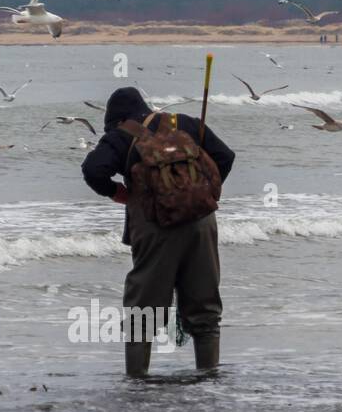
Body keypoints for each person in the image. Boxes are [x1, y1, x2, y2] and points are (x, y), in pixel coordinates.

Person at [80, 86, 235, 377]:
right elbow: (225, 156)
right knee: (205, 309)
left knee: (144, 311)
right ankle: (209, 378)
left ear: (118, 119)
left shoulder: (122, 135)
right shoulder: (186, 124)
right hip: (202, 224)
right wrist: (200, 192)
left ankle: (137, 383)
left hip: (156, 228)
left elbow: (93, 170)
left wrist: (116, 192)